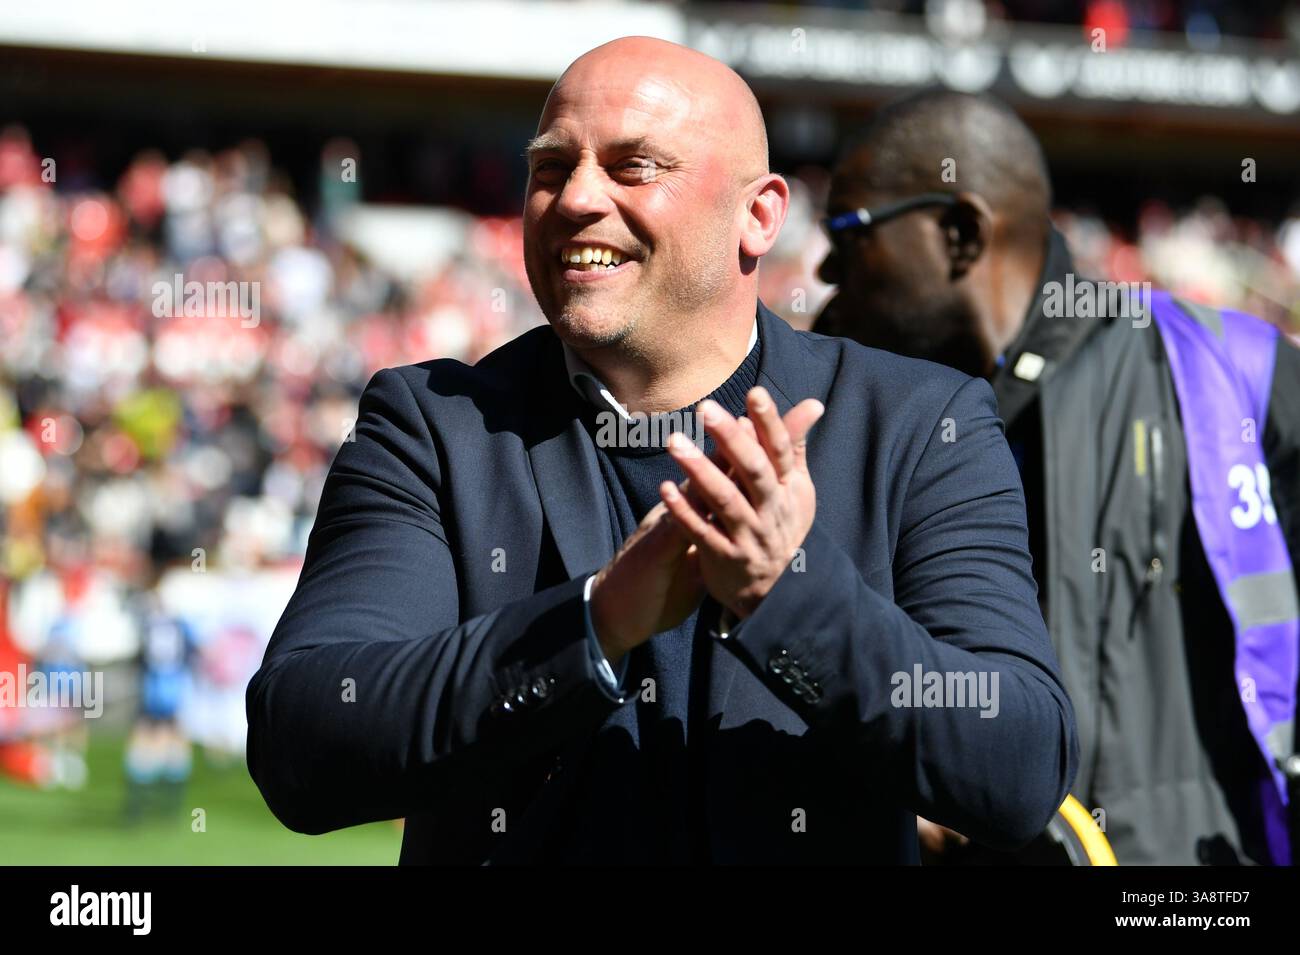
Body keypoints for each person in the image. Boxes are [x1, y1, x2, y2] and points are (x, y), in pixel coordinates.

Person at [246, 38, 1078, 865]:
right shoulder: (436, 425)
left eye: (633, 166)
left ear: (758, 216)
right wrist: (596, 621)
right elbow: (304, 738)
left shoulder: (919, 423)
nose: (575, 198)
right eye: (549, 168)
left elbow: (1019, 767)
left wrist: (787, 593)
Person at [814, 88, 1300, 865]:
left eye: (848, 230)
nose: (825, 268)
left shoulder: (1223, 366)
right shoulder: (859, 415)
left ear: (960, 233)